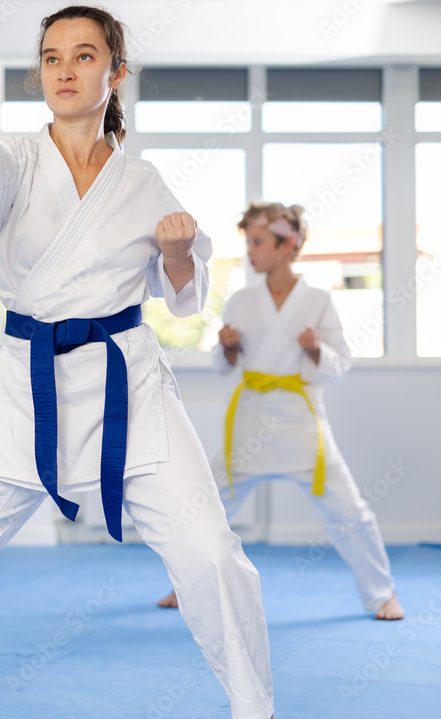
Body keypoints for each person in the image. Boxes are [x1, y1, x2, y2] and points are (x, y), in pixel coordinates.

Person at [0, 6, 275, 719]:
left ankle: (254, 706)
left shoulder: (144, 182)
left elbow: (183, 299)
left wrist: (180, 253)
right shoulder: (18, 162)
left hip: (129, 390)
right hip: (24, 391)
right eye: (52, 57)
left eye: (85, 55)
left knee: (212, 555)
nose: (65, 69)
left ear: (116, 74)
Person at [156, 202, 404, 621]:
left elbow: (339, 364)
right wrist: (229, 348)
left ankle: (382, 594)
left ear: (287, 245)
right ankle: (187, 585)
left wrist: (315, 350)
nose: (250, 251)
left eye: (257, 242)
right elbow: (224, 366)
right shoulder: (241, 301)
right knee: (208, 505)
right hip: (252, 418)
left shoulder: (320, 301)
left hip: (301, 424)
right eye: (248, 242)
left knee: (351, 512)